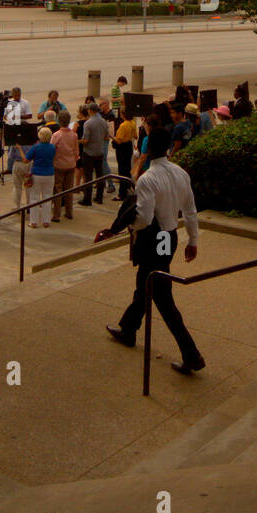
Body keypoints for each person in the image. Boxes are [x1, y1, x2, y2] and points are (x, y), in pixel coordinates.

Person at [101, 127, 205, 375]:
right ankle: (128, 328)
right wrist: (193, 240)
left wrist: (131, 227)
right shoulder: (181, 173)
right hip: (169, 236)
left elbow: (145, 218)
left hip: (152, 237)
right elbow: (190, 210)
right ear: (169, 147)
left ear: (148, 149)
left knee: (160, 294)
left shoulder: (148, 178)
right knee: (147, 284)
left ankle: (191, 353)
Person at [19, 126, 56, 228]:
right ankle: (46, 221)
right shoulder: (53, 147)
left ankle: (34, 221)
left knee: (34, 198)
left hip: (37, 174)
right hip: (49, 173)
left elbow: (26, 160)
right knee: (47, 197)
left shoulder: (36, 147)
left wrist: (20, 149)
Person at [50, 110, 80, 222]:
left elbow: (52, 149)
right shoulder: (74, 135)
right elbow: (76, 151)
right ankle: (69, 211)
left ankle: (56, 214)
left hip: (58, 165)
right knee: (69, 189)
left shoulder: (56, 135)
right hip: (71, 164)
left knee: (58, 190)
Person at [79, 103, 110, 205]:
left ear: (90, 111)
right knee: (99, 175)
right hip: (99, 151)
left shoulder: (88, 123)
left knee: (88, 176)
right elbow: (106, 137)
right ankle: (99, 197)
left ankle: (87, 199)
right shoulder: (103, 122)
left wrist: (78, 141)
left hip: (89, 152)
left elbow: (86, 140)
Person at [113, 108, 137, 196]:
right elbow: (135, 136)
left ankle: (122, 192)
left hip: (122, 147)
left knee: (122, 168)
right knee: (127, 168)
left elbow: (118, 140)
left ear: (123, 114)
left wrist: (111, 136)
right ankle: (127, 187)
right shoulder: (133, 123)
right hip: (129, 145)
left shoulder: (123, 125)